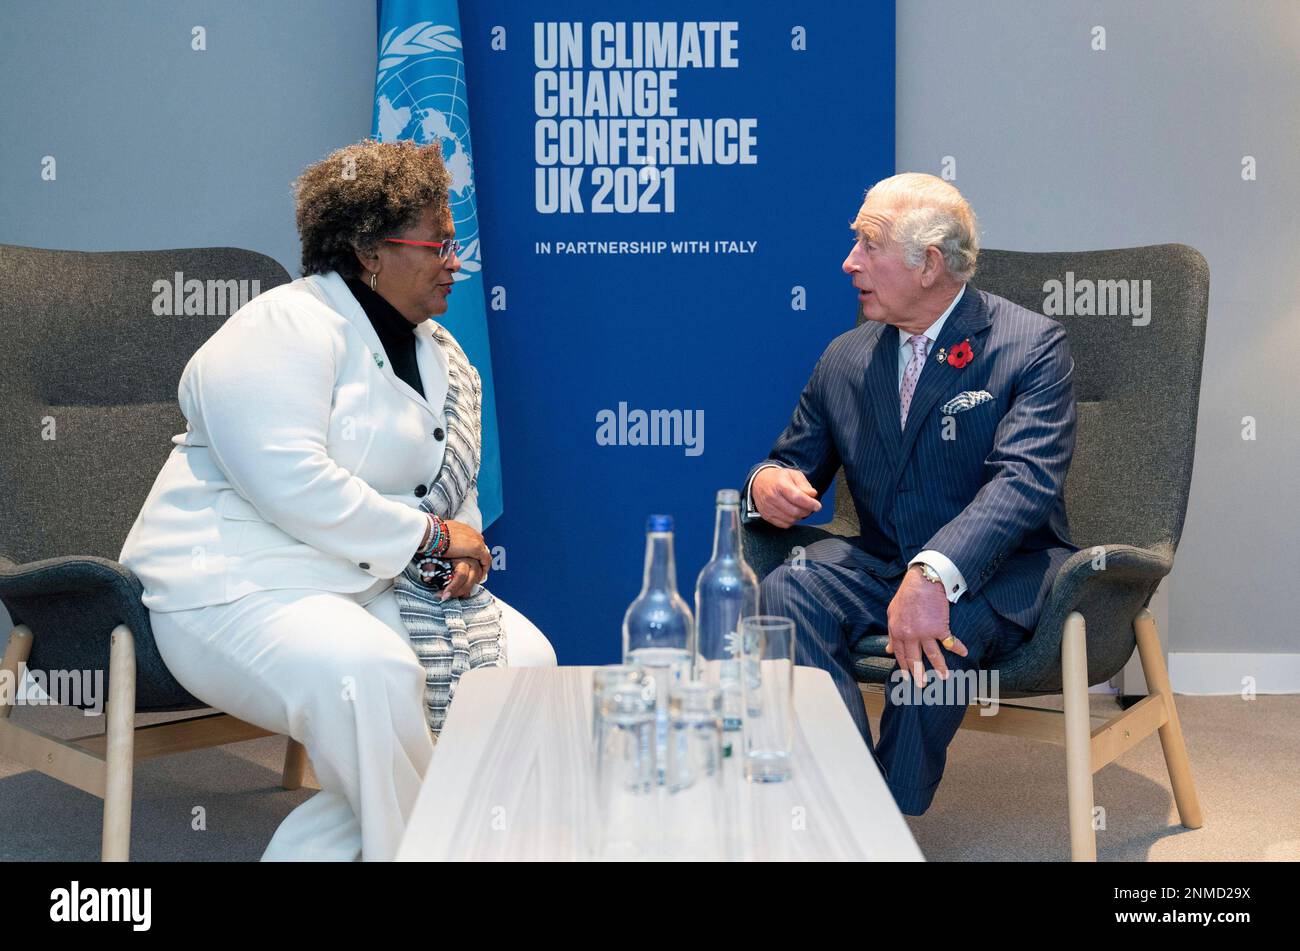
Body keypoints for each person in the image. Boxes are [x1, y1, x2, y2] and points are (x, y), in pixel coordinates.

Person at [119, 139, 556, 861]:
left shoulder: (442, 352)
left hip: (366, 579)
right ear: (368, 251)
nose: (456, 262)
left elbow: (448, 486)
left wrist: (461, 549)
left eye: (456, 243)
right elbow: (291, 482)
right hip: (232, 585)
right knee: (370, 676)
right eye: (438, 244)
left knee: (527, 667)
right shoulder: (281, 326)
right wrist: (434, 539)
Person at [743, 173, 1077, 815]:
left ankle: (883, 818)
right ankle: (848, 795)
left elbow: (1025, 482)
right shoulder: (845, 356)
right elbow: (792, 464)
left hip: (997, 570)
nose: (849, 262)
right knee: (789, 587)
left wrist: (932, 576)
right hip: (884, 559)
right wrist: (769, 484)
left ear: (928, 263)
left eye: (868, 244)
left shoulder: (1030, 347)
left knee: (933, 640)